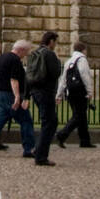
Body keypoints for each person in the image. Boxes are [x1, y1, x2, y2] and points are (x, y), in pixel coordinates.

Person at [26, 30, 62, 166]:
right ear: (51, 41)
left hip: (36, 91)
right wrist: (57, 61)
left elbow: (28, 76)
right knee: (50, 123)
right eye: (55, 42)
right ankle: (40, 155)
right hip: (46, 92)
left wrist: (26, 96)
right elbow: (55, 73)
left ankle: (38, 149)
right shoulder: (49, 54)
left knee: (47, 122)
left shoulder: (34, 54)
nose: (55, 45)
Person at [56, 41, 96, 149]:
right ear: (83, 50)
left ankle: (85, 140)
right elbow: (85, 76)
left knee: (81, 116)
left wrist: (59, 94)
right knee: (78, 116)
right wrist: (90, 91)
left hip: (70, 92)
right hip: (80, 92)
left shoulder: (69, 61)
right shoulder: (82, 60)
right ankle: (62, 135)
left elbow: (63, 79)